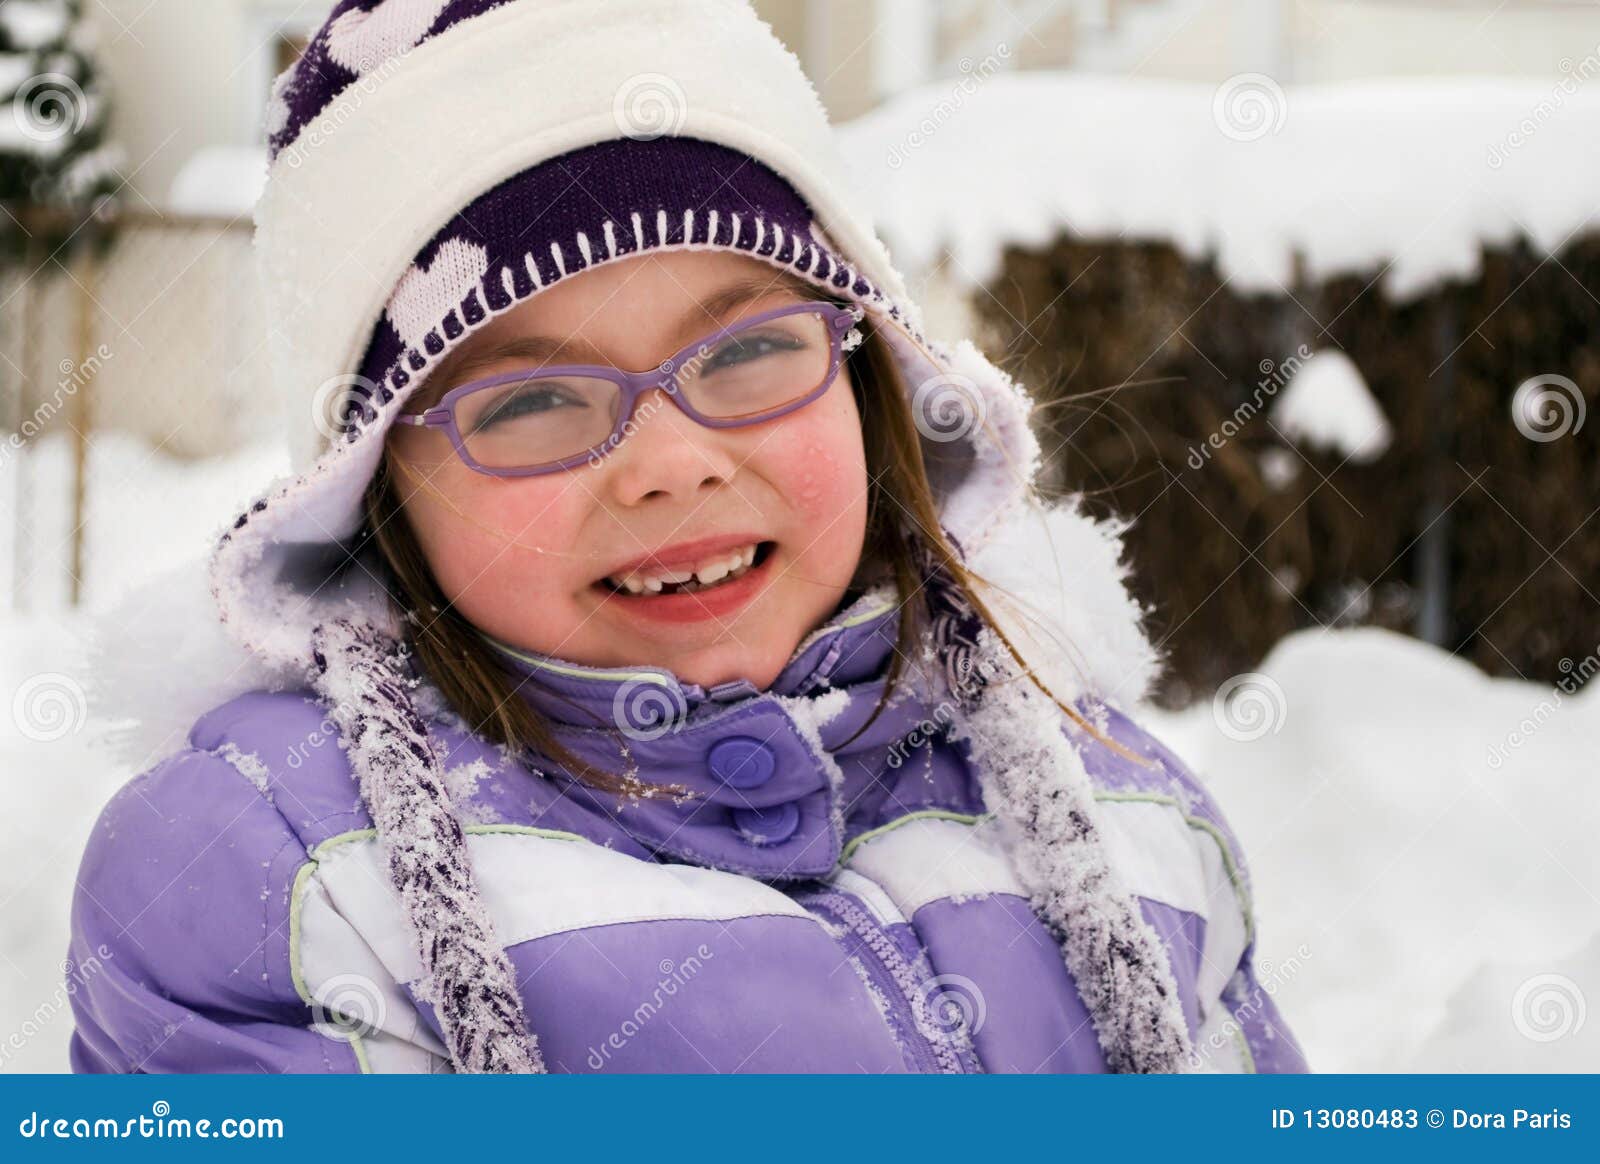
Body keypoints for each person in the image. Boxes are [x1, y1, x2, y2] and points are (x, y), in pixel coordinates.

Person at [66, 0, 1307, 1074]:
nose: (672, 464)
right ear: (376, 495)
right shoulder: (272, 872)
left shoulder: (1125, 810)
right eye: (532, 400)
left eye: (750, 348)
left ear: (867, 376)